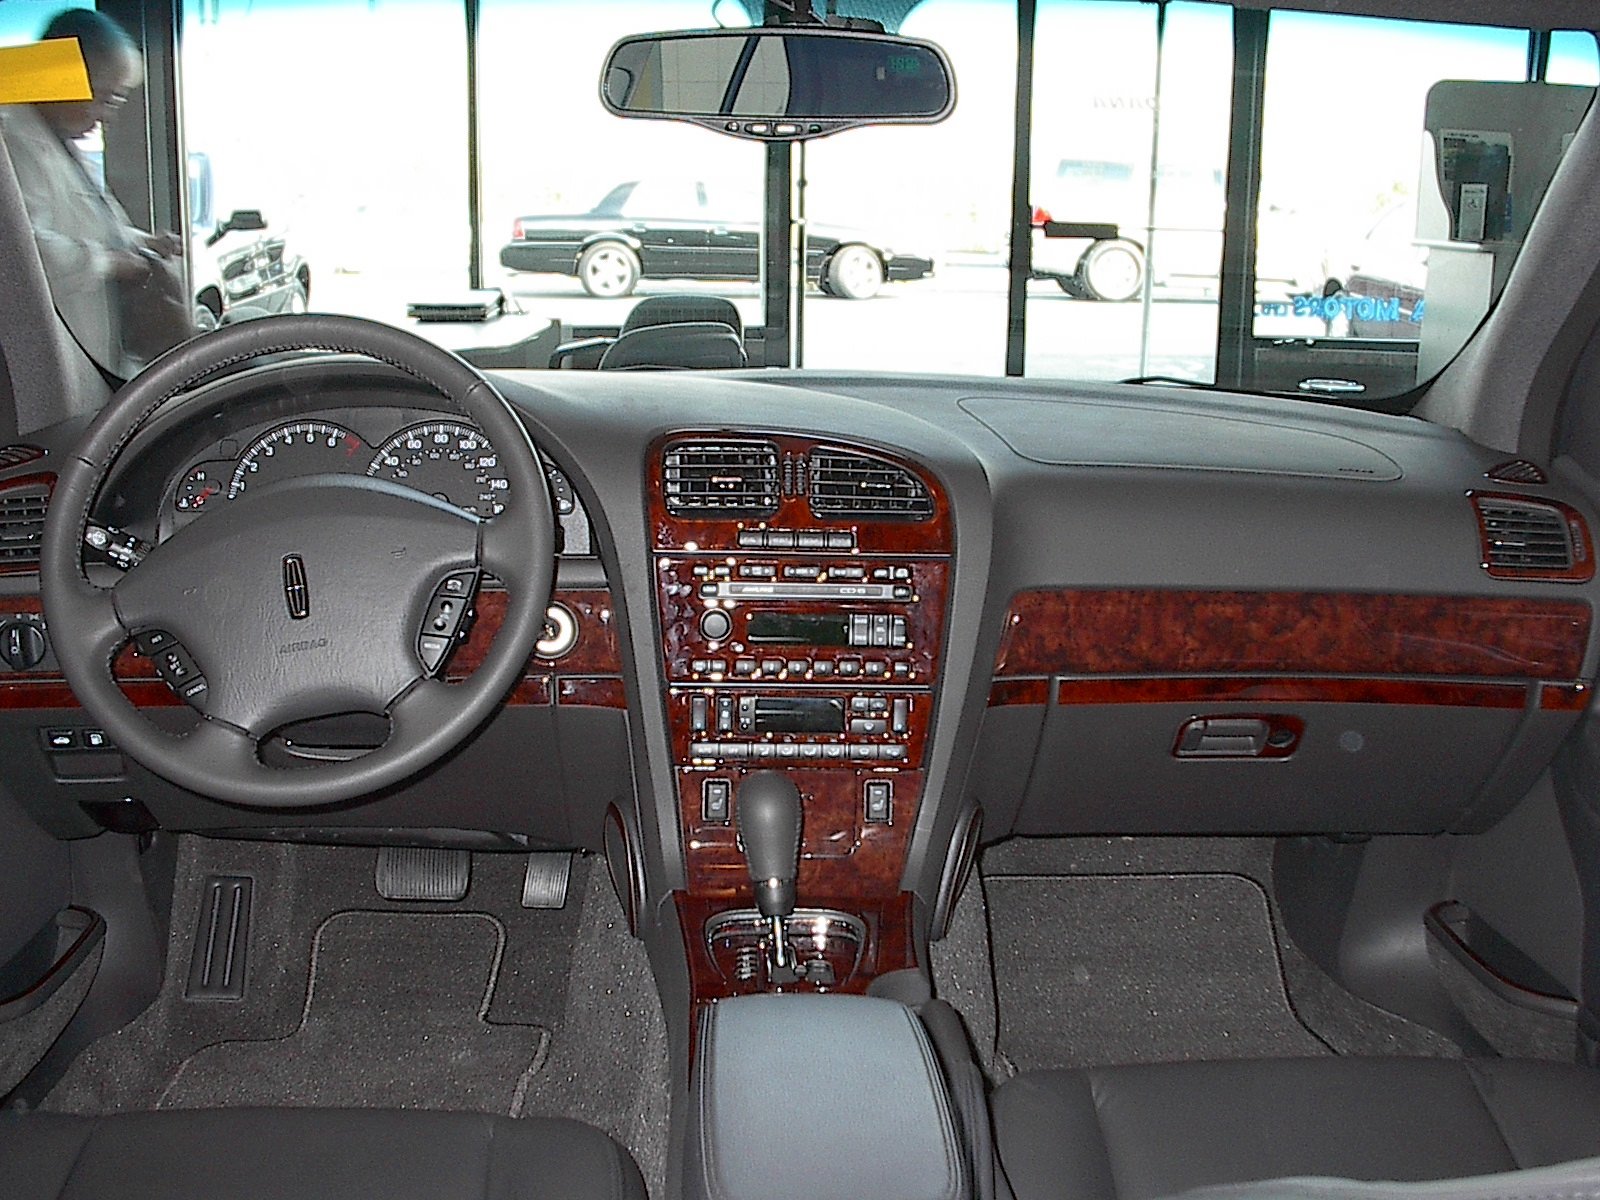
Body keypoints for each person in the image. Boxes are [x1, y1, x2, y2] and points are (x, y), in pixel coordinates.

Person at [0, 9, 191, 377]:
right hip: (54, 365)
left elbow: (87, 228)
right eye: (106, 99)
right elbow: (23, 254)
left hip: (95, 359)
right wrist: (110, 263)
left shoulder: (63, 144)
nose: (107, 117)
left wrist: (144, 242)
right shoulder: (12, 144)